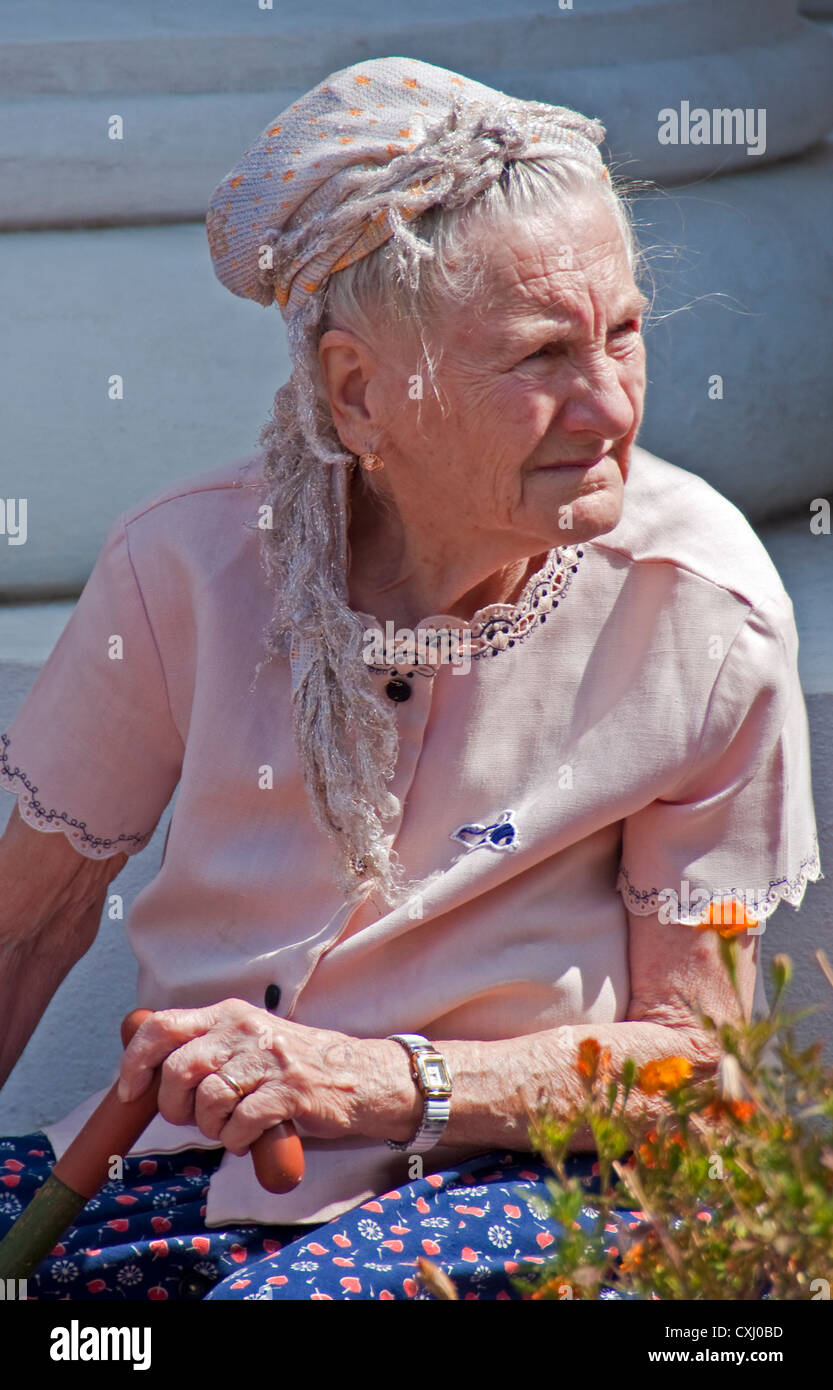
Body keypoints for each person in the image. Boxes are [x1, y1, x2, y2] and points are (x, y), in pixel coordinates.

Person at [0, 56, 821, 1302]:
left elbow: (697, 1074)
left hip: (530, 1173)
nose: (607, 405)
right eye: (540, 354)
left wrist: (372, 1080)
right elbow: (26, 930)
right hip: (191, 1169)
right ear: (358, 393)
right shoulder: (187, 566)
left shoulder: (696, 612)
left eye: (624, 332)